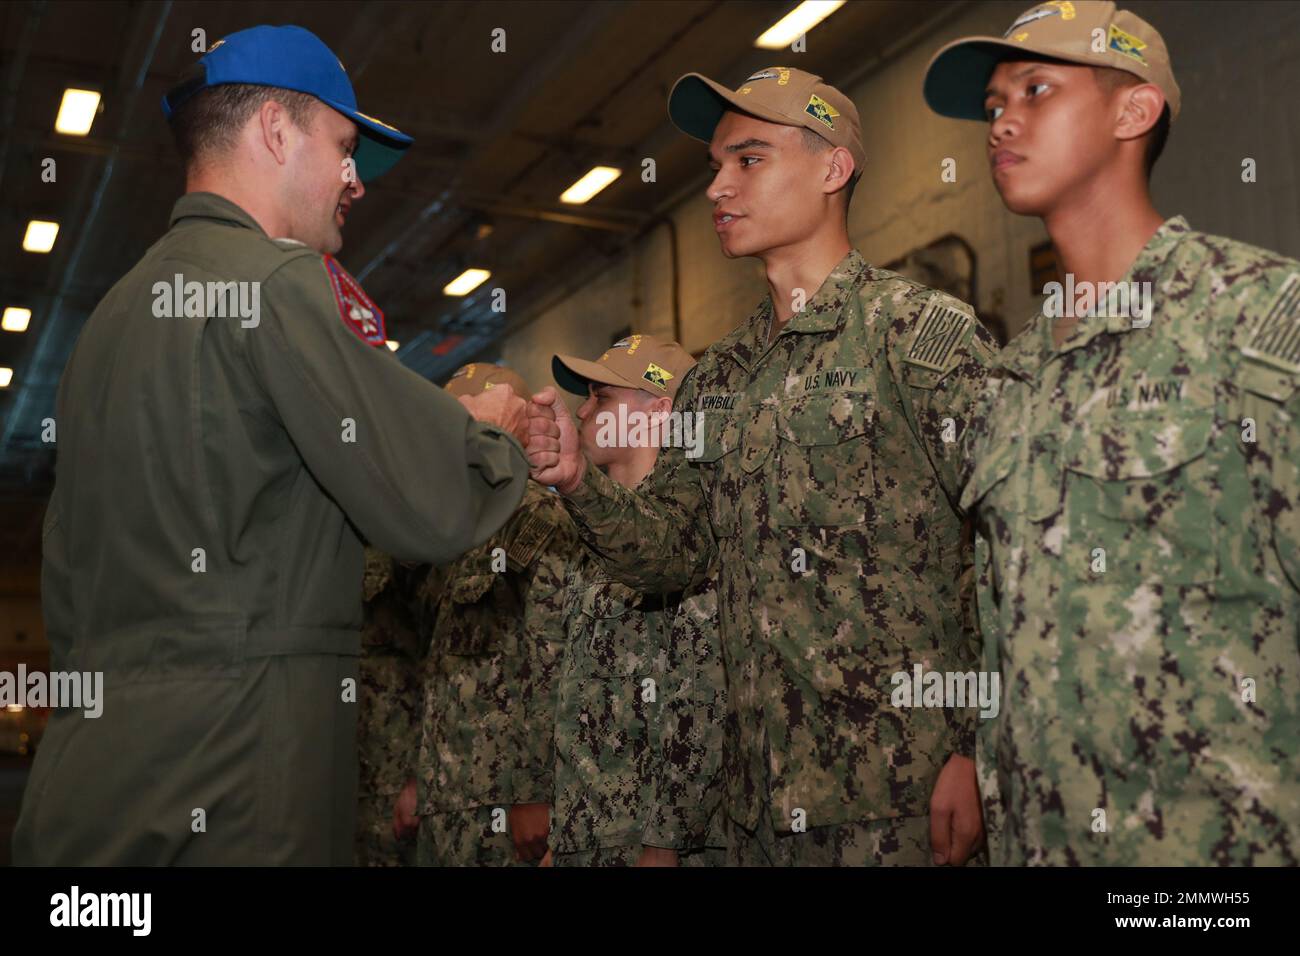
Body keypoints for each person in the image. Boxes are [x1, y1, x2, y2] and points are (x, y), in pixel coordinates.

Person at [13, 25, 529, 865]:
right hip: (240, 769)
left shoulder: (111, 318)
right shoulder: (277, 283)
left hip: (95, 777)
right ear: (276, 133)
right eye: (345, 147)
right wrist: (494, 438)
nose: (354, 180)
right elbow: (433, 501)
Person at [529, 67, 996, 865]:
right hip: (755, 813)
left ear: (831, 169)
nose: (716, 187)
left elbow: (1002, 541)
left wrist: (976, 744)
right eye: (715, 166)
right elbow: (673, 553)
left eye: (748, 161)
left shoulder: (918, 336)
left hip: (900, 795)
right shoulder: (718, 378)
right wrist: (580, 482)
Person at [924, 0, 1300, 864]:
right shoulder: (1013, 382)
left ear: (1134, 111)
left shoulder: (1253, 321)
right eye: (992, 106)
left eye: (1036, 90)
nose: (1001, 122)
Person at [542, 335, 726, 867]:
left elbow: (700, 698)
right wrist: (565, 832)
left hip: (661, 844)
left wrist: (663, 845)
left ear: (659, 411)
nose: (582, 409)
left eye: (601, 397)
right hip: (593, 833)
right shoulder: (593, 531)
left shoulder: (692, 530)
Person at [396, 363, 581, 867]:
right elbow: (428, 661)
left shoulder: (540, 518)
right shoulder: (453, 527)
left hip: (502, 803)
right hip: (447, 795)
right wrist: (416, 773)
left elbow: (553, 662)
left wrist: (536, 790)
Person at [355, 548, 424, 866]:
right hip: (329, 776)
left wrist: (420, 777)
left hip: (391, 781)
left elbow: (445, 662)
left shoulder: (400, 540)